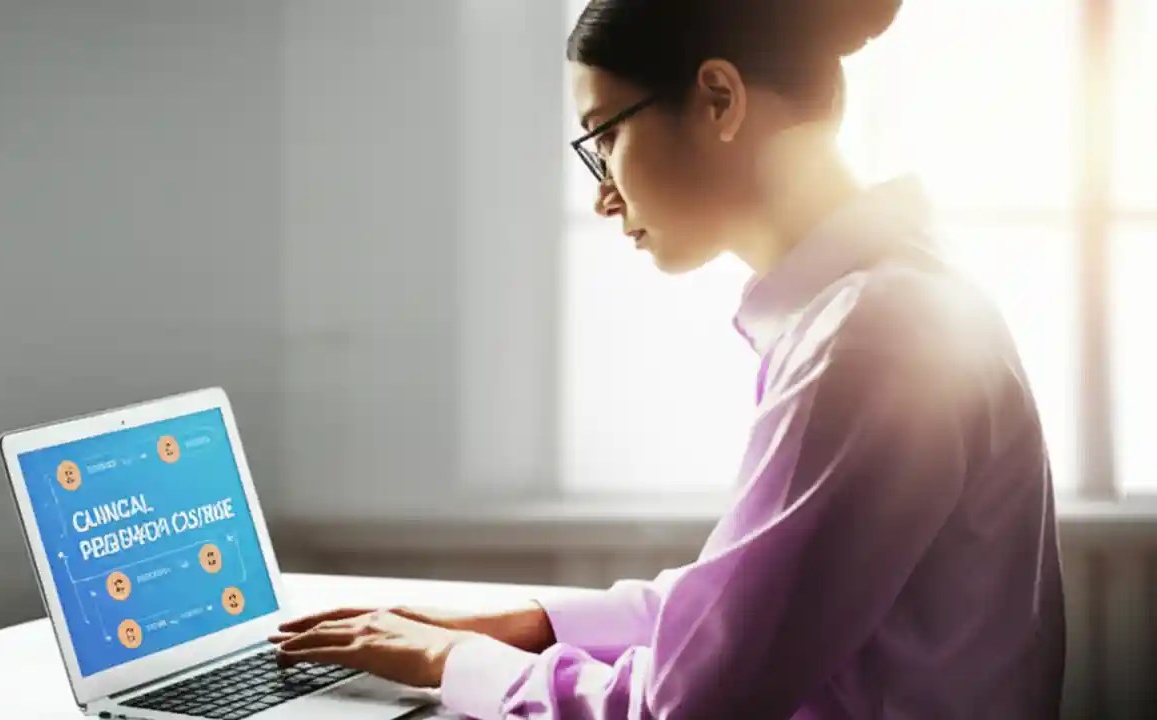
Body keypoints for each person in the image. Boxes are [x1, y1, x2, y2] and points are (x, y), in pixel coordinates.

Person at [269, 0, 1067, 717]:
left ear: (719, 99)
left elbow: (686, 705)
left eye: (605, 136)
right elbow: (744, 605)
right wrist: (529, 624)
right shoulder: (890, 300)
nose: (602, 196)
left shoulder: (866, 342)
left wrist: (454, 662)